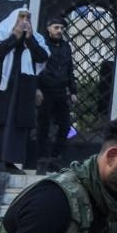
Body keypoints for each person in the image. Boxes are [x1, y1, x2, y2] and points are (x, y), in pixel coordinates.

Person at [0, 8, 50, 175]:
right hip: (0, 86)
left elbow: (42, 57)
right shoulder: (1, 32)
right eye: (21, 17)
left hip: (22, 88)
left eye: (27, 17)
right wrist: (14, 36)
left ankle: (10, 163)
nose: (24, 20)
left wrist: (29, 40)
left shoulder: (36, 38)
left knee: (16, 125)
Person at [33, 16, 75, 169]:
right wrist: (36, 88)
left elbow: (70, 68)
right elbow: (36, 66)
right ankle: (42, 158)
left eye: (62, 28)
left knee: (65, 126)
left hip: (61, 91)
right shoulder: (41, 44)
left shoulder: (66, 47)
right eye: (56, 27)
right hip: (45, 90)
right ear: (49, 28)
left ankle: (56, 157)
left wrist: (73, 90)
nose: (59, 31)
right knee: (43, 126)